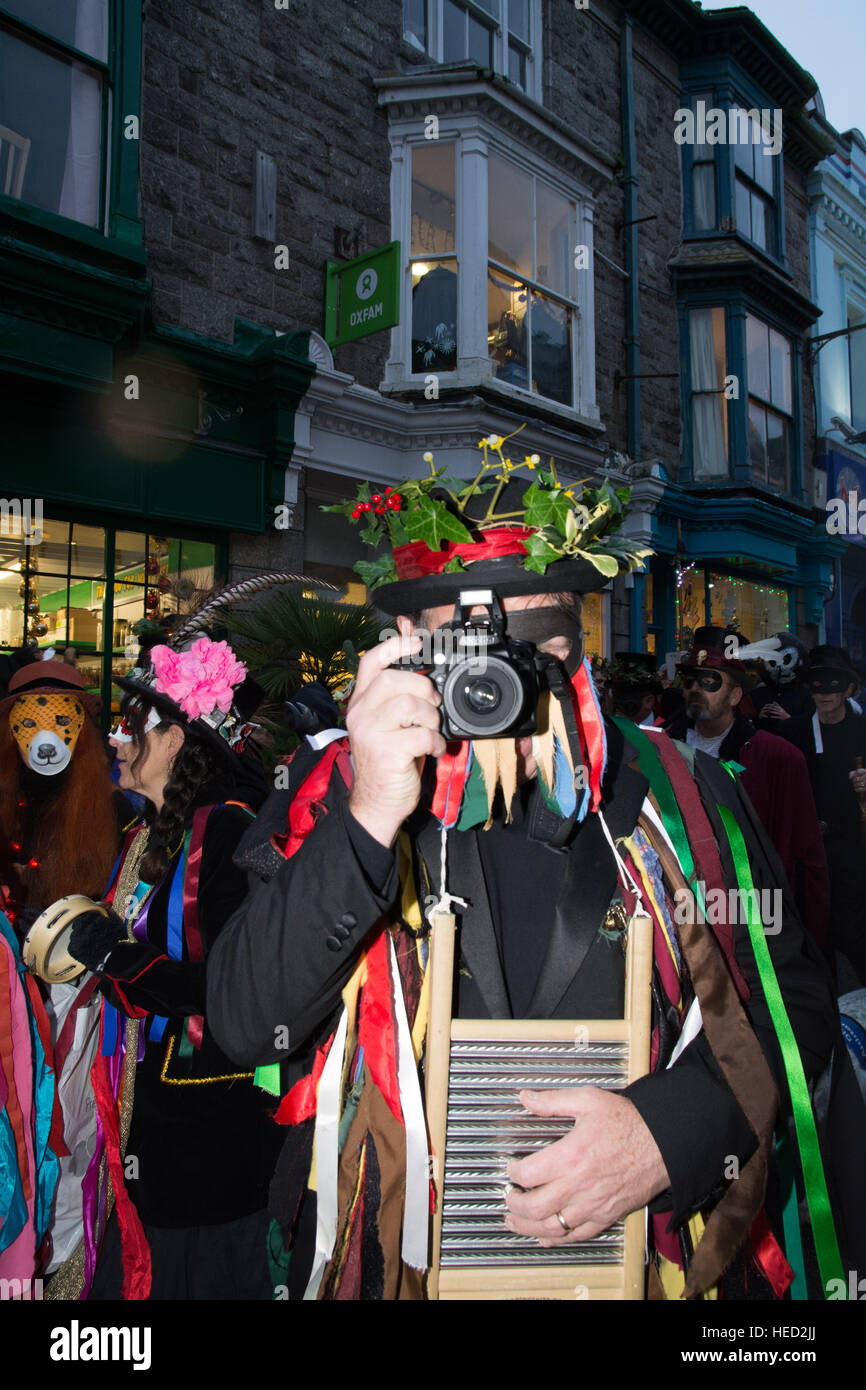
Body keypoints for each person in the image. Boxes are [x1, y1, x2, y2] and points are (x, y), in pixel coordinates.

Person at [207, 446, 858, 1300]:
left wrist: (670, 1135)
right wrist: (366, 818)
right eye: (468, 635)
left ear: (577, 633)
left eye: (533, 633)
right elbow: (249, 1026)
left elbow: (798, 1004)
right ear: (406, 640)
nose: (499, 668)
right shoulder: (332, 795)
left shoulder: (687, 792)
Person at [44, 633, 283, 1301]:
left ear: (176, 740)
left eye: (129, 725)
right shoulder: (146, 835)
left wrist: (112, 952)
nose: (115, 741)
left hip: (208, 1139)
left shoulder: (232, 833)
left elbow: (234, 994)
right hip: (143, 1115)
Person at [664, 629, 830, 951]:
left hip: (753, 917)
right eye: (691, 680)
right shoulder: (661, 748)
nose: (696, 688)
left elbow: (808, 857)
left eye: (710, 681)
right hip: (681, 907)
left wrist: (809, 946)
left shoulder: (778, 758)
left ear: (736, 696)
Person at [774, 645, 866, 989]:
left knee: (853, 928)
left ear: (847, 690)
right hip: (808, 851)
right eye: (816, 686)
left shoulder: (863, 730)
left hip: (854, 851)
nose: (824, 695)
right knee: (813, 927)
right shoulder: (793, 733)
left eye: (832, 686)